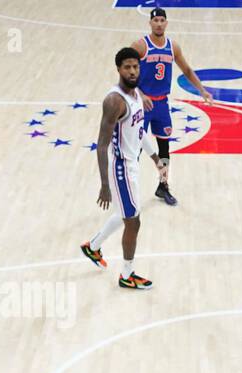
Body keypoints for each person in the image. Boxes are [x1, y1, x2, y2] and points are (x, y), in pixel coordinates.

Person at [80, 48, 162, 291]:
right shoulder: (114, 101)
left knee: (126, 212)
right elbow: (102, 144)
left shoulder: (136, 94)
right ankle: (127, 274)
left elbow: (139, 131)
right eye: (127, 67)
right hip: (121, 168)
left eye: (135, 66)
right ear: (118, 69)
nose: (132, 71)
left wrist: (156, 158)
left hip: (133, 164)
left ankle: (93, 246)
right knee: (133, 221)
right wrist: (105, 184)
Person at [130, 8, 214, 207]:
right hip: (142, 104)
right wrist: (140, 95)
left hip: (161, 104)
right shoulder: (140, 45)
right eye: (155, 20)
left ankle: (163, 185)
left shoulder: (172, 47)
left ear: (166, 23)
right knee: (135, 150)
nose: (159, 23)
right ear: (150, 23)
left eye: (162, 20)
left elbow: (187, 69)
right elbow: (127, 73)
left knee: (164, 148)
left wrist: (202, 90)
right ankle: (129, 190)